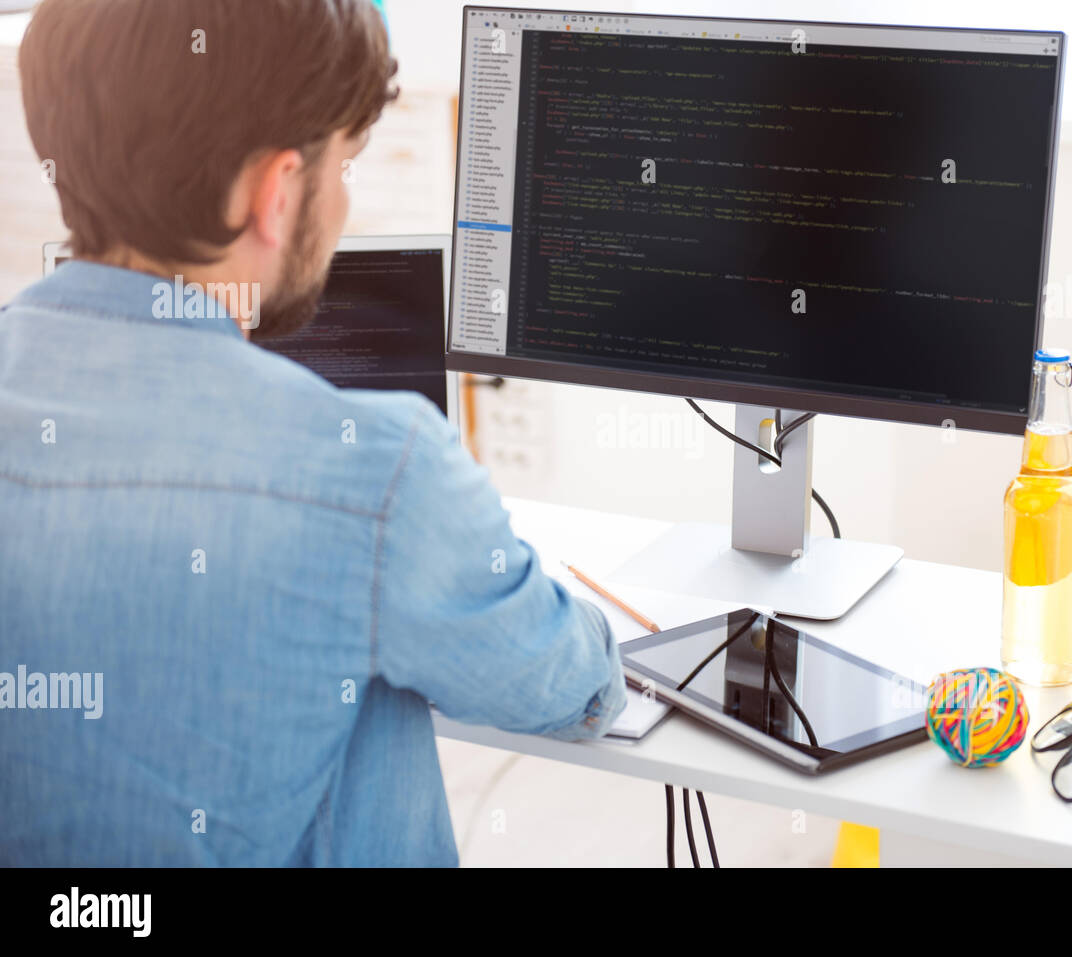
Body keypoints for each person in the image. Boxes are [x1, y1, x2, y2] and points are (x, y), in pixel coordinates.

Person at [0, 0, 625, 866]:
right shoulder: (378, 474)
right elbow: (569, 690)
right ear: (277, 191)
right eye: (346, 166)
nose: (341, 204)